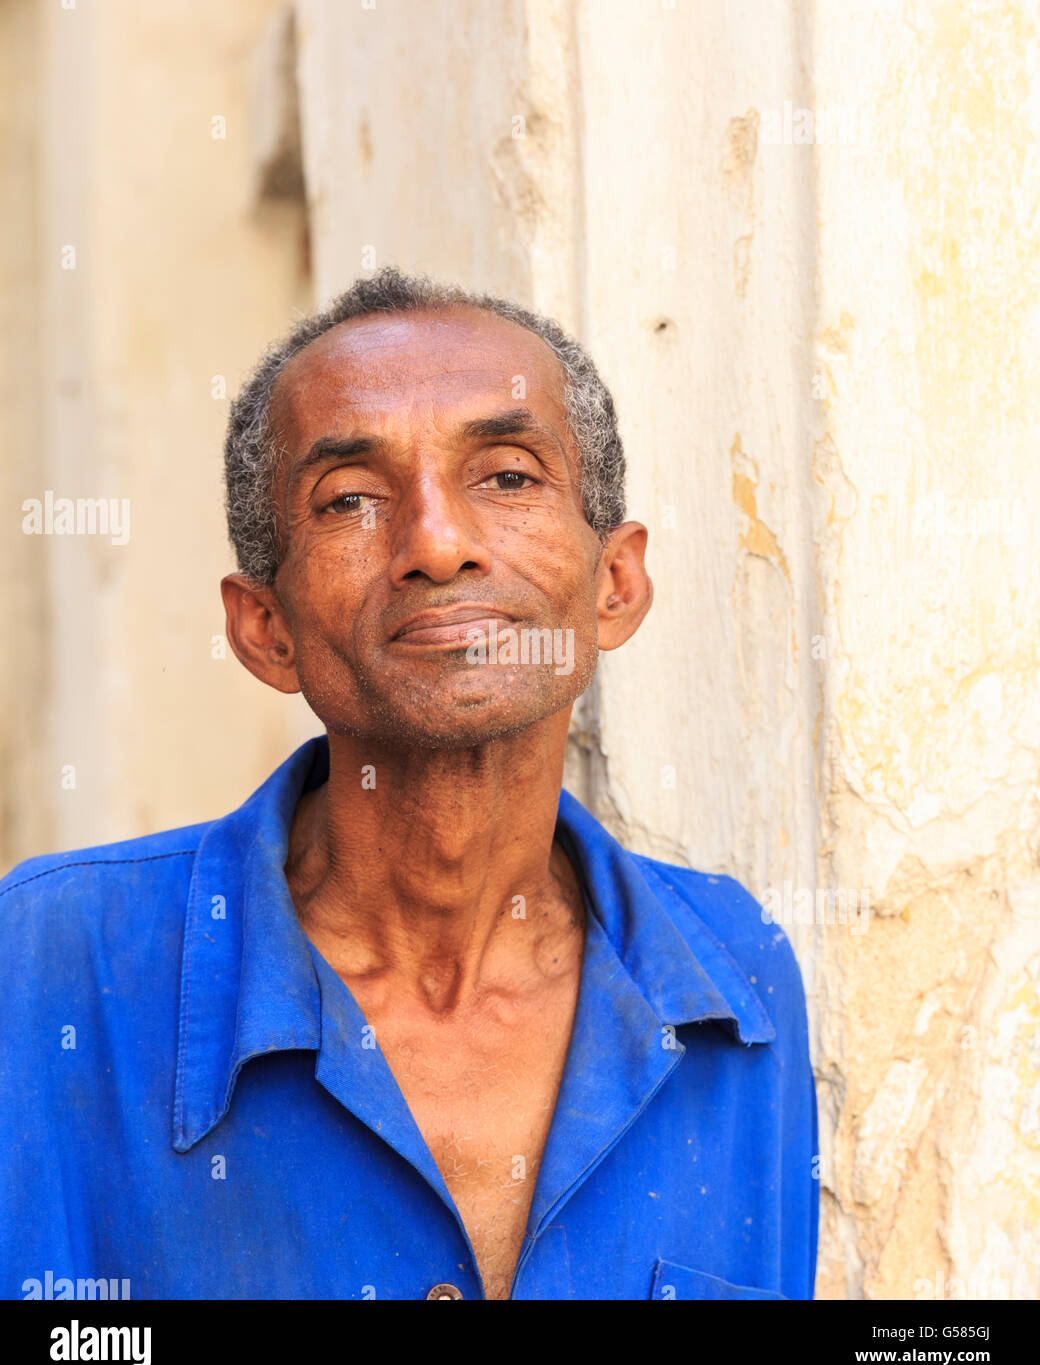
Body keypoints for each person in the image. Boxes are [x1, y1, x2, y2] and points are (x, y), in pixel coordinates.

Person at [0, 266, 817, 1301]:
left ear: (613, 583)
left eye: (507, 477)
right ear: (265, 628)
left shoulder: (736, 984)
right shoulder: (51, 966)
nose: (435, 543)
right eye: (350, 499)